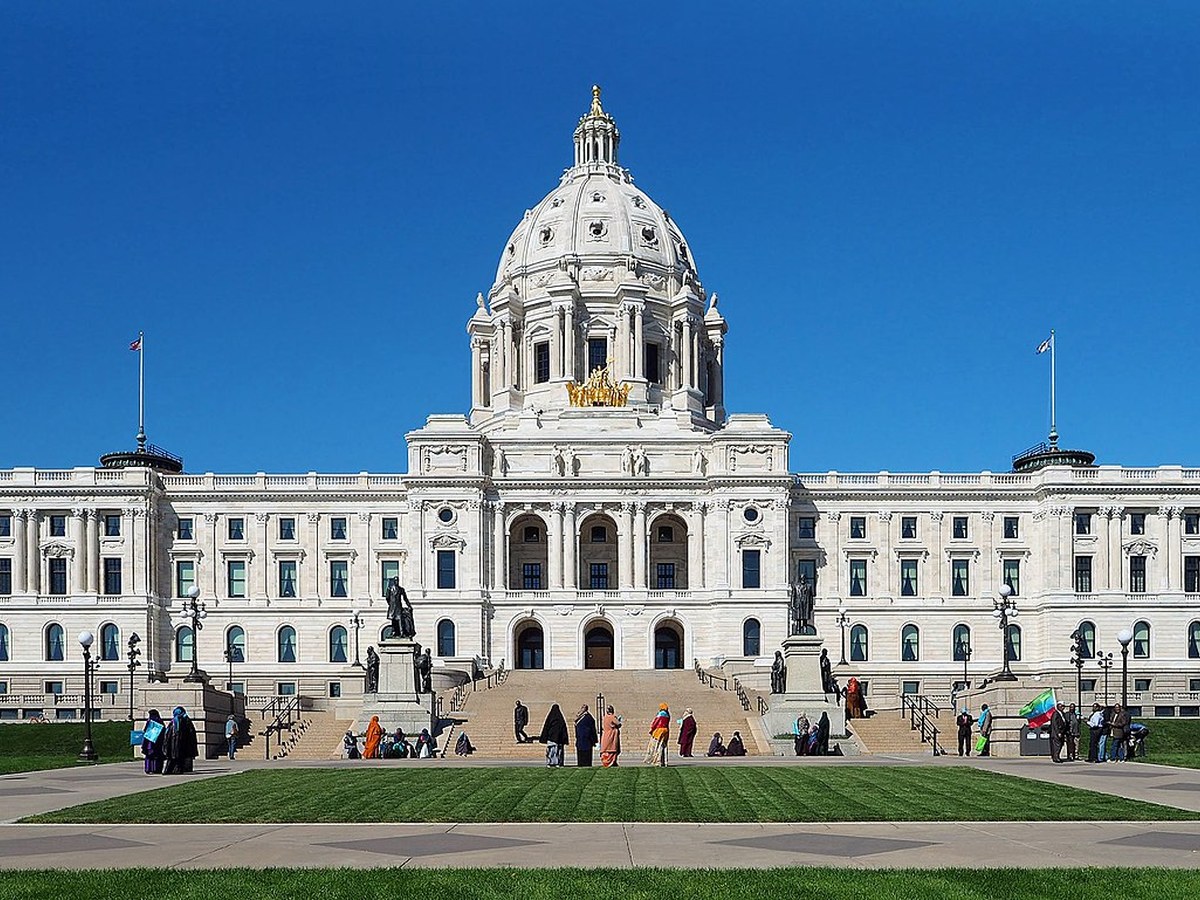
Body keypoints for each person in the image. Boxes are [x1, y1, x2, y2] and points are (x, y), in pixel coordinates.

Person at [162, 706, 199, 775]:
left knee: (172, 758)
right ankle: (177, 770)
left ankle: (170, 770)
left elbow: (168, 734)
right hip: (181, 744)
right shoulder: (186, 721)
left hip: (173, 744)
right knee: (179, 758)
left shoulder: (174, 721)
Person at [141, 709, 166, 775]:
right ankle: (157, 769)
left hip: (149, 742)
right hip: (158, 742)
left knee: (149, 756)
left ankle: (149, 768)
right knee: (158, 756)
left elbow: (145, 730)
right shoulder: (160, 721)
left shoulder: (150, 721)